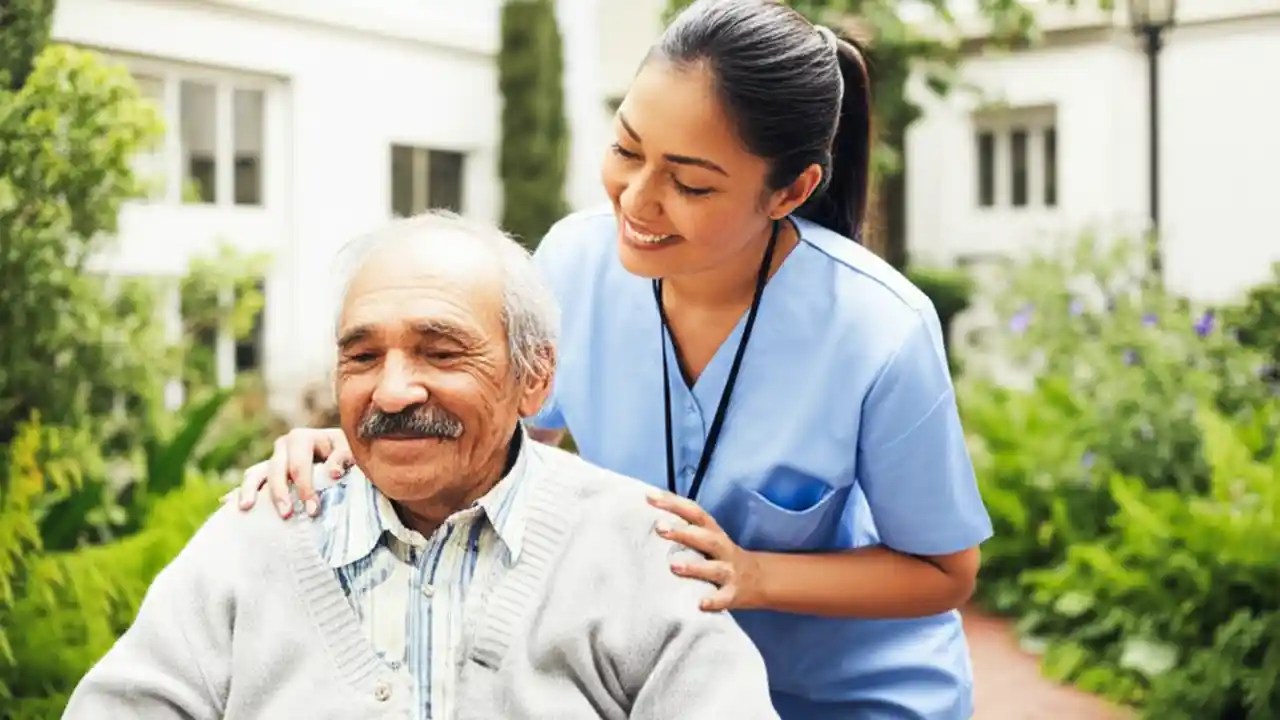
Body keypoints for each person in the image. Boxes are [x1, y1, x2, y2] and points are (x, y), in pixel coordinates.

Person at [237, 0, 995, 717]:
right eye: (626, 148)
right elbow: (499, 450)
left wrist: (756, 574)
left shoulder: (880, 328)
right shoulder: (575, 260)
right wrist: (362, 447)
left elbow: (943, 573)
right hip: (653, 686)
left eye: (690, 182)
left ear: (789, 190)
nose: (635, 200)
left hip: (844, 700)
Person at [63, 212, 781, 720]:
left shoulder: (639, 548)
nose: (394, 390)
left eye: (441, 352)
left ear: (534, 379)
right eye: (363, 356)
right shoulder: (258, 537)